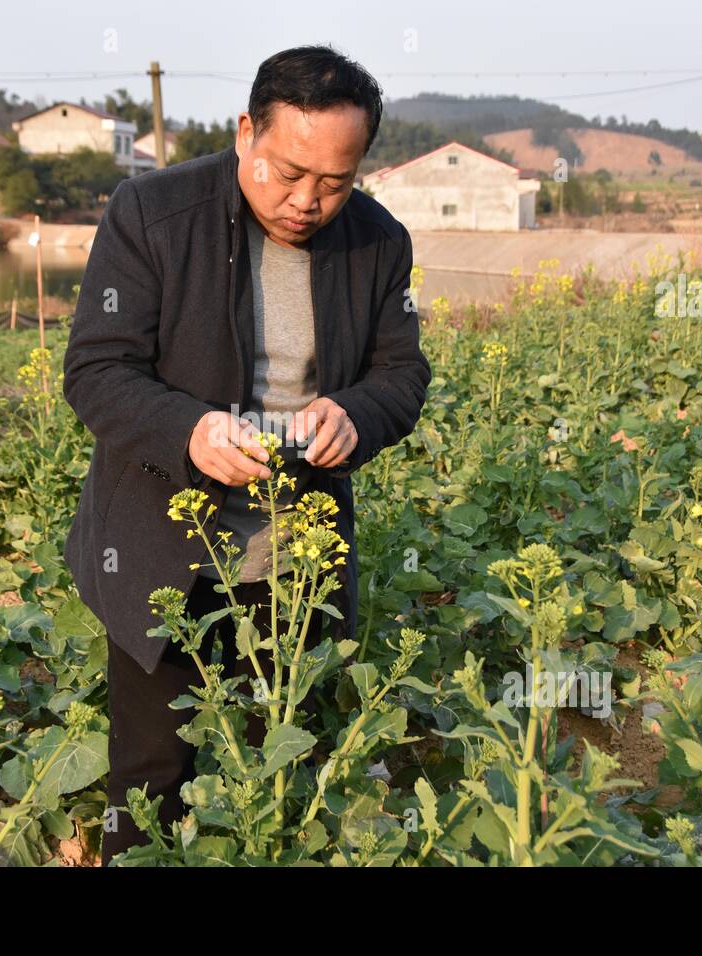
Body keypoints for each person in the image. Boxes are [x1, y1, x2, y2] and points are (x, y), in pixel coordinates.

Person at [61, 44, 431, 865]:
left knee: (276, 763)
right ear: (244, 134)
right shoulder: (151, 214)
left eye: (335, 182)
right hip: (161, 547)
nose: (307, 201)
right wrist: (189, 431)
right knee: (152, 776)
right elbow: (95, 370)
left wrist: (357, 416)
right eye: (289, 172)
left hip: (297, 561)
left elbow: (402, 372)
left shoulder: (377, 244)